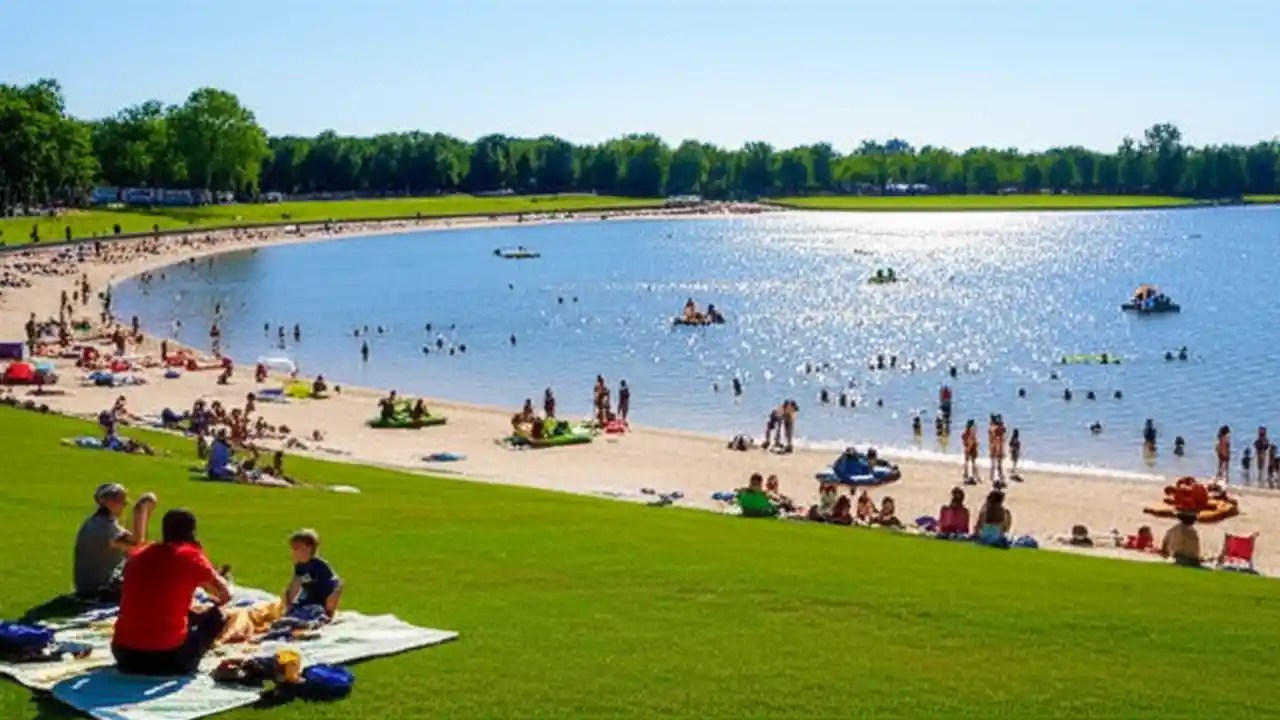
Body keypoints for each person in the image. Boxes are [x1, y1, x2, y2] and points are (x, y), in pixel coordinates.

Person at [112, 510, 232, 676]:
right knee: (217, 616)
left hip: (124, 654)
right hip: (168, 659)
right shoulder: (190, 557)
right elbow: (224, 594)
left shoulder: (138, 555)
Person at [73, 484, 156, 600]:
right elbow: (136, 544)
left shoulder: (95, 522)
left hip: (88, 586)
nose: (125, 504)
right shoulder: (106, 527)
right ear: (109, 503)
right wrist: (141, 510)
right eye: (121, 500)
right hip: (97, 589)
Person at [282, 529, 343, 618]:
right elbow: (295, 585)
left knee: (314, 612)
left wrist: (330, 605)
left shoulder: (320, 565)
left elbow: (335, 584)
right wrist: (289, 601)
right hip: (309, 598)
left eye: (297, 548)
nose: (293, 552)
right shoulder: (300, 566)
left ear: (309, 548)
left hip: (321, 600)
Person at [988, 416, 1006, 483]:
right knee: (999, 465)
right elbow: (998, 439)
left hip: (993, 447)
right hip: (997, 448)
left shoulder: (991, 429)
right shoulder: (998, 429)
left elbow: (992, 439)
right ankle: (1000, 478)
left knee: (993, 464)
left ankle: (992, 478)